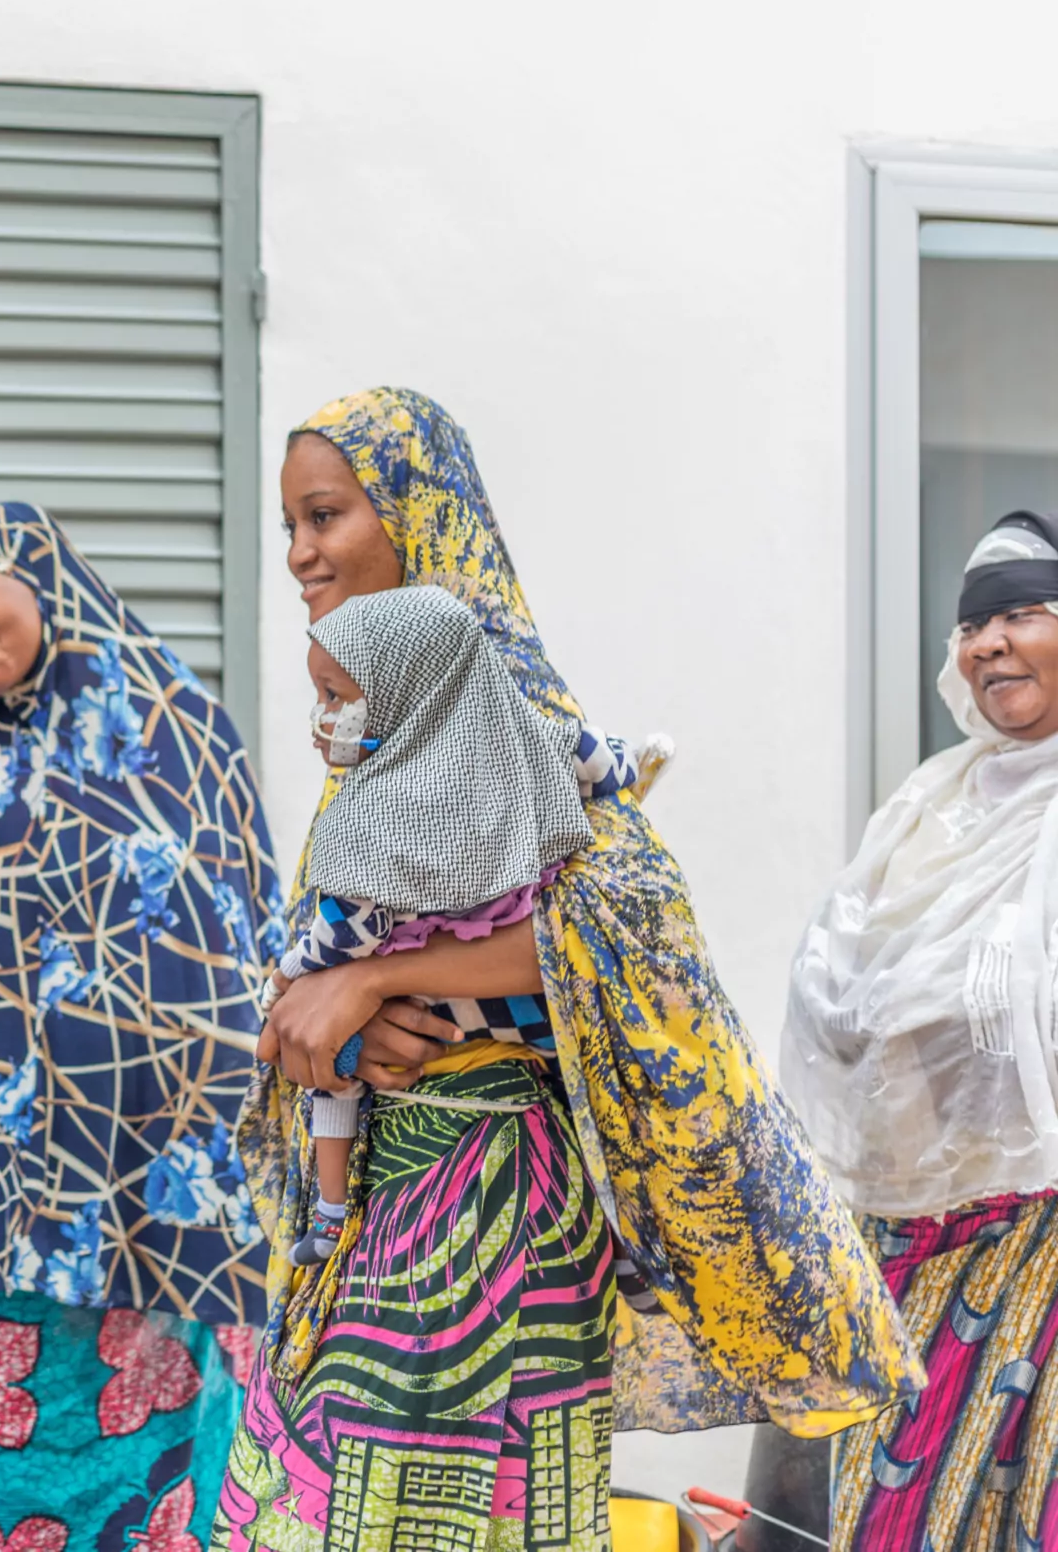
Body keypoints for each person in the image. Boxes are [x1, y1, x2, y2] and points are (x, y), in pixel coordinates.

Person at [210, 388, 920, 1551]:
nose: (298, 554)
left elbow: (632, 926)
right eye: (288, 524)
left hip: (492, 1207)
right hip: (392, 1189)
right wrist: (329, 1011)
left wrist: (378, 985)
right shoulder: (379, 709)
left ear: (413, 513)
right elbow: (330, 941)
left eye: (324, 516)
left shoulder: (499, 693)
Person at [0, 502, 285, 1549]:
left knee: (153, 1471)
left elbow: (239, 941)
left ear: (46, 581)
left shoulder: (180, 731)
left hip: (159, 1171)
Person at [782, 508, 1058, 1551]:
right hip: (920, 1238)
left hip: (1045, 1234)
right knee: (901, 1514)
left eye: (1020, 613)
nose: (987, 642)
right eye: (972, 624)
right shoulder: (927, 806)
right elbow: (843, 1000)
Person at [276, 584, 650, 1266]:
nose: (320, 716)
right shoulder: (516, 737)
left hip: (468, 1140)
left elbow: (350, 926)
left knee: (335, 1083)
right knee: (590, 1090)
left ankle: (330, 1213)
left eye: (335, 696)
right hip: (526, 1026)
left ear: (402, 687)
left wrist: (302, 976)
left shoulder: (374, 814)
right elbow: (591, 756)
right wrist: (632, 764)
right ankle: (629, 1239)